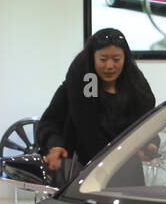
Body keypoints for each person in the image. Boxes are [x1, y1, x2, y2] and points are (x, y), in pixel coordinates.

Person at [36, 28, 157, 180]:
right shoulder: (80, 84)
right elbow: (50, 121)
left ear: (125, 58)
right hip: (86, 172)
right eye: (103, 59)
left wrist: (150, 145)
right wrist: (55, 145)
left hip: (127, 173)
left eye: (116, 59)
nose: (110, 65)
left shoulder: (135, 86)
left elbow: (147, 125)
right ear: (92, 58)